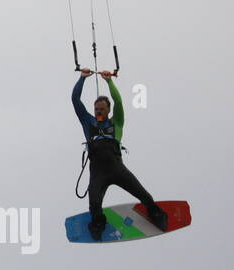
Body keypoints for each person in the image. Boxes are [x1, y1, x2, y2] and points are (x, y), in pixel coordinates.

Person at [72, 68, 168, 241]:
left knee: (144, 195)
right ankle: (99, 223)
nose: (98, 111)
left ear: (108, 110)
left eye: (101, 108)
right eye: (96, 109)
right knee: (94, 204)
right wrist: (82, 79)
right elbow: (75, 100)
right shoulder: (88, 122)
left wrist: (109, 81)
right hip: (97, 173)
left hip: (117, 169)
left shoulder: (117, 122)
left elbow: (118, 101)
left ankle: (156, 215)